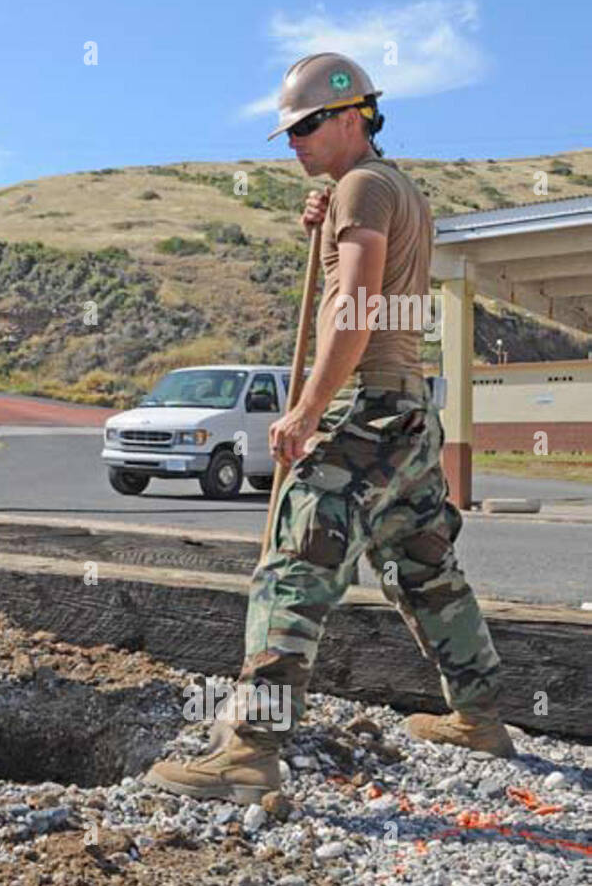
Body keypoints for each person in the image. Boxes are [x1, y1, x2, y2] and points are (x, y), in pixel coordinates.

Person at [145, 53, 512, 806]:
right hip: (409, 411)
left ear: (353, 116)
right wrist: (326, 220)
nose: (295, 141)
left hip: (366, 411)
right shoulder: (390, 186)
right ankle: (480, 716)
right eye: (289, 130)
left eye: (309, 125)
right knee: (425, 568)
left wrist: (306, 411)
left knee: (293, 565)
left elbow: (355, 307)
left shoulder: (362, 187)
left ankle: (249, 751)